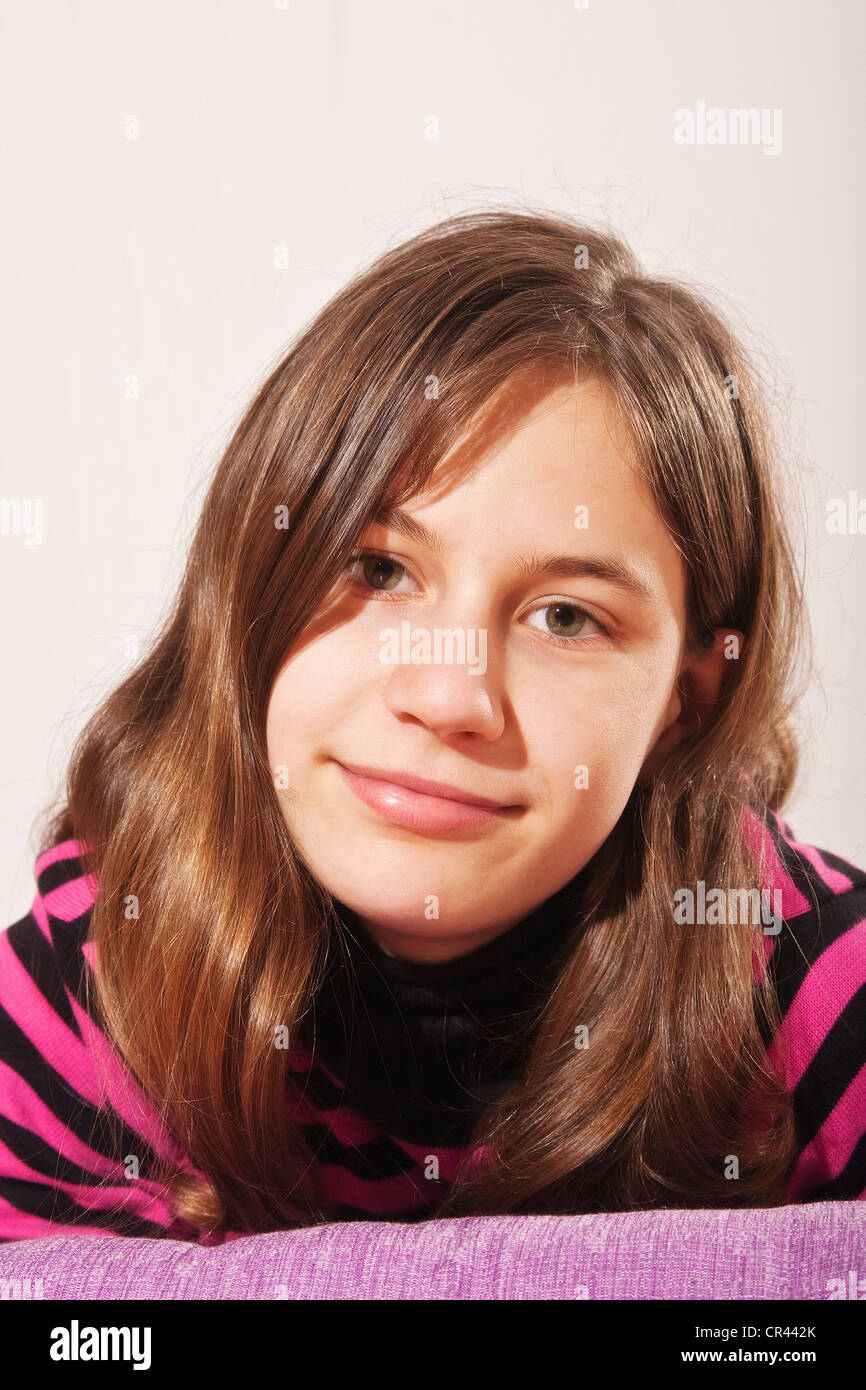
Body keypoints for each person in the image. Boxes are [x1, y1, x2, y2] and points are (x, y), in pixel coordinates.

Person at [1, 208, 864, 1245]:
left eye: (565, 618)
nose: (449, 697)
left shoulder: (811, 980)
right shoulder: (92, 995)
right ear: (251, 584)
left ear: (687, 699)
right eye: (376, 570)